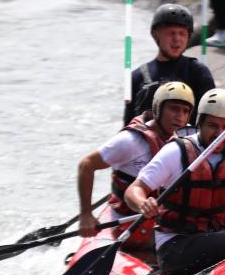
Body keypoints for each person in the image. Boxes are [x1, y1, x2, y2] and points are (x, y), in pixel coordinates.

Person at [124, 86, 225, 275]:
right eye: (212, 126)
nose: (219, 134)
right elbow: (134, 190)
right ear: (200, 123)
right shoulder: (176, 152)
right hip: (176, 247)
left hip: (214, 237)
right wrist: (143, 203)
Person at [77, 81, 195, 252]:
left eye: (185, 111)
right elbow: (86, 165)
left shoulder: (183, 139)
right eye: (174, 109)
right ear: (157, 109)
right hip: (130, 222)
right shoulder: (130, 141)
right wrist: (86, 214)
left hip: (160, 217)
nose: (180, 117)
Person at [126, 4, 215, 124]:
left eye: (182, 34)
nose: (177, 39)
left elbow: (212, 119)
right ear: (156, 35)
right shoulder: (137, 77)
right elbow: (127, 126)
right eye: (171, 33)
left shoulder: (198, 72)